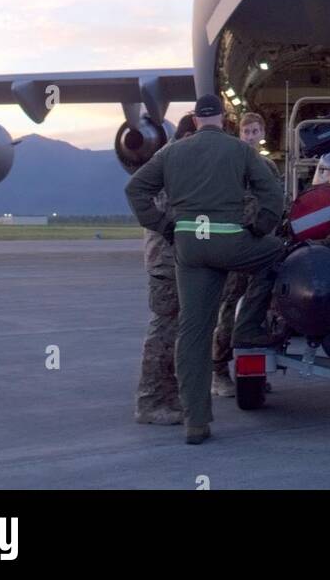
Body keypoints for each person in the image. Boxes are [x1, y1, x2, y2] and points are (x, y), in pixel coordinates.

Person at [125, 93, 284, 444]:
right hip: (231, 242)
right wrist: (260, 226)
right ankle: (247, 328)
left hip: (188, 249)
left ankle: (196, 422)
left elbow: (135, 188)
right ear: (226, 121)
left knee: (193, 333)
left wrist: (164, 225)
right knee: (279, 256)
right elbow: (273, 192)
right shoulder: (240, 151)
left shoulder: (171, 152)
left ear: (195, 120)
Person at [133, 110, 196, 426]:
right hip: (166, 261)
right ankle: (151, 402)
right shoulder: (165, 164)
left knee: (175, 329)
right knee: (164, 328)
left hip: (176, 259)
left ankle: (168, 399)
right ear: (187, 138)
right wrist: (168, 227)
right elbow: (148, 202)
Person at [211, 111, 280, 398]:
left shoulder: (268, 166)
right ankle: (218, 370)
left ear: (263, 133)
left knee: (259, 307)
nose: (251, 136)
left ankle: (253, 370)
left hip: (261, 244)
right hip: (236, 244)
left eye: (255, 130)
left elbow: (276, 199)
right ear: (239, 134)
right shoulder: (231, 163)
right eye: (246, 131)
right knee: (229, 306)